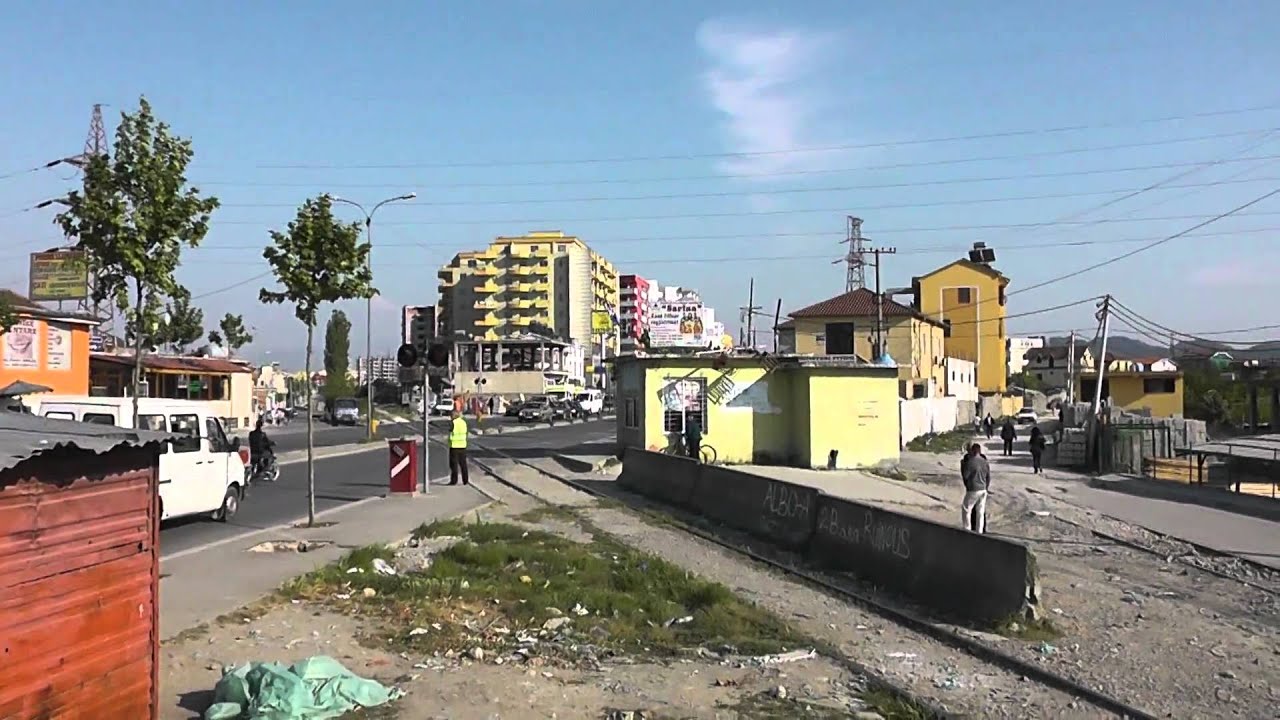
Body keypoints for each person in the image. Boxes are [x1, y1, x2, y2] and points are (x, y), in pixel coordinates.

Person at [960, 443, 991, 533]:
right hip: (983, 488)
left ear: (973, 451)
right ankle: (979, 530)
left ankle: (967, 529)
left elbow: (965, 476)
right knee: (980, 511)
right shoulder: (984, 461)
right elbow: (988, 476)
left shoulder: (970, 461)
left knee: (966, 509)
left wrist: (963, 466)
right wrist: (986, 487)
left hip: (973, 488)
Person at [448, 409, 470, 486]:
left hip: (454, 445)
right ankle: (465, 480)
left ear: (453, 415)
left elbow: (451, 431)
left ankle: (454, 481)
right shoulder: (463, 422)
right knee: (463, 464)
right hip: (463, 445)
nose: (450, 417)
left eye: (451, 416)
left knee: (454, 465)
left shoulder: (454, 422)